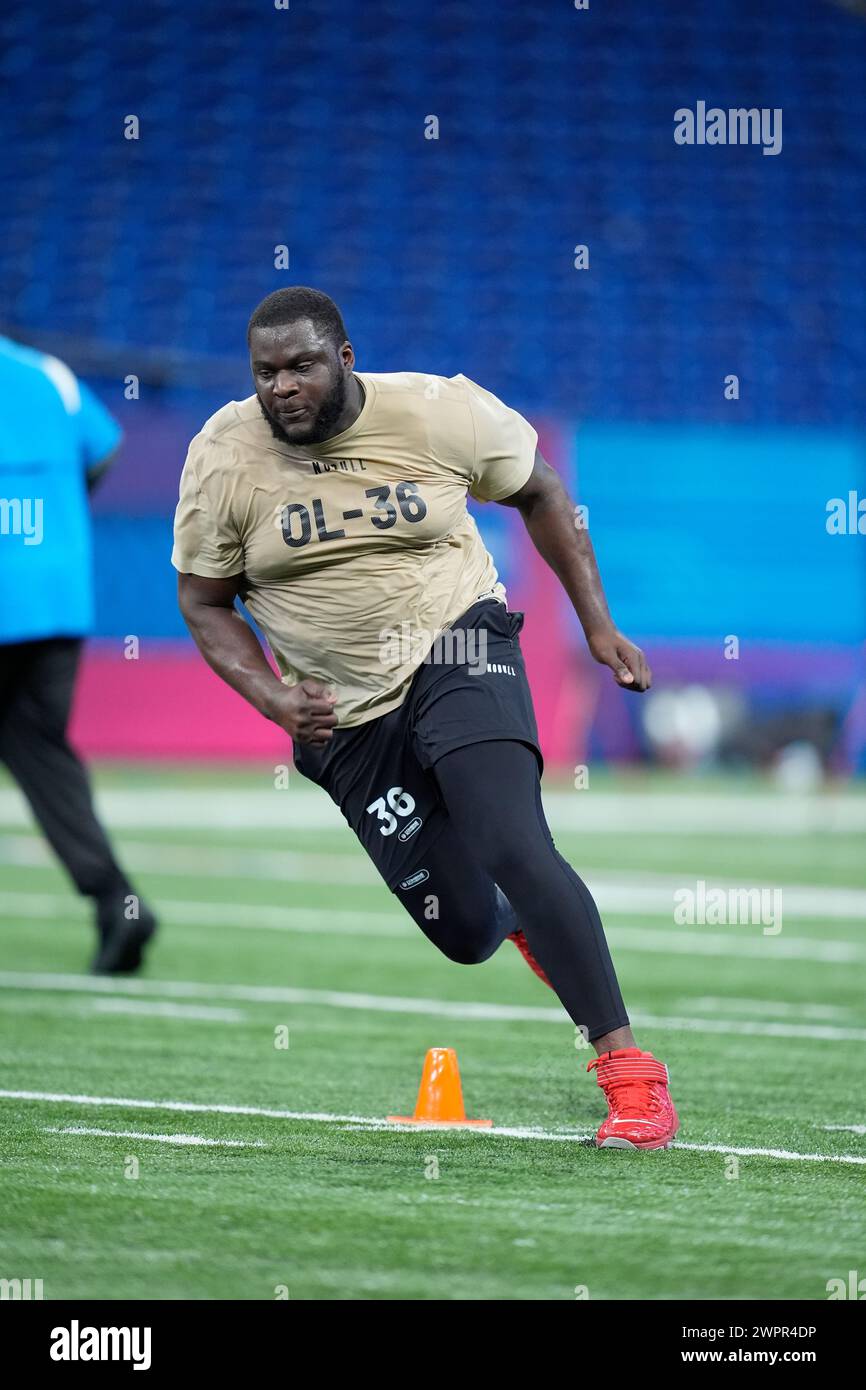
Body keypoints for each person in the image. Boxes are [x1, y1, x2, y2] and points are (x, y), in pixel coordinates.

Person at [172, 287, 678, 1149]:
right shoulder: (224, 456)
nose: (282, 387)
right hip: (346, 717)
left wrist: (599, 626)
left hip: (457, 643)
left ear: (346, 358)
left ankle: (633, 1082)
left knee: (514, 843)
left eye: (300, 366)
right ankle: (517, 917)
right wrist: (272, 698)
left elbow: (543, 493)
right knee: (468, 929)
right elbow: (204, 600)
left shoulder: (440, 411)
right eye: (266, 373)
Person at [0, 335, 157, 973]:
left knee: (38, 753)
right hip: (55, 596)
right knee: (41, 753)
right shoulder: (48, 375)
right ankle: (116, 901)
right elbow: (104, 448)